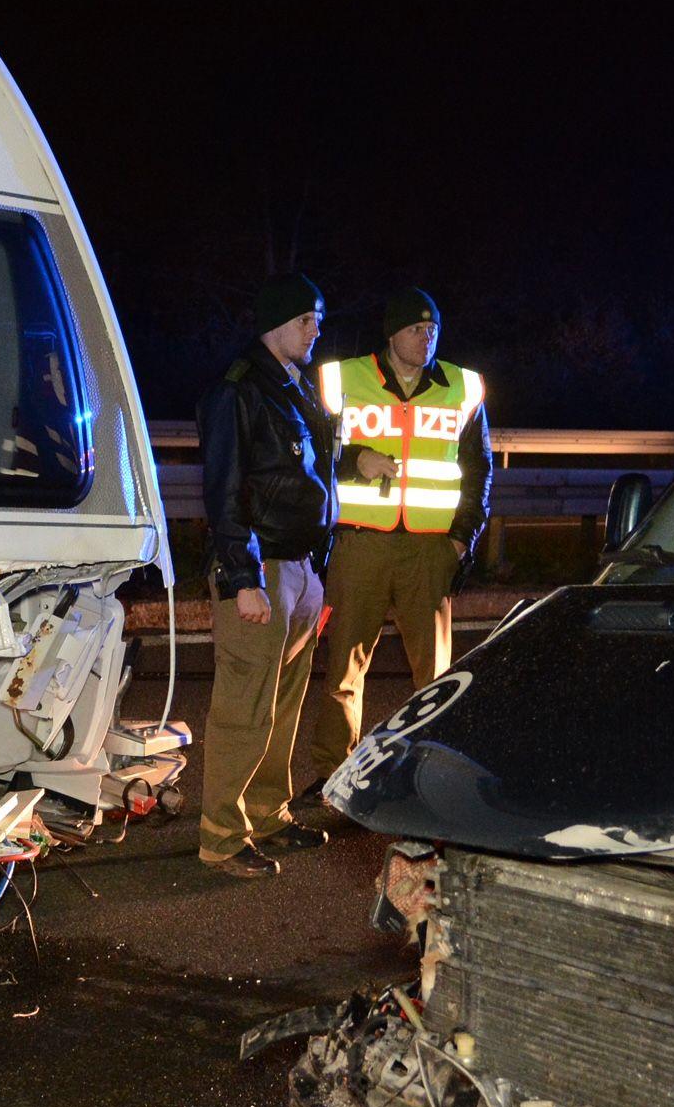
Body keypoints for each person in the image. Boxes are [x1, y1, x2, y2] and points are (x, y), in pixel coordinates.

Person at [193, 273, 387, 878]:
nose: (315, 329)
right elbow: (225, 491)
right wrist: (242, 578)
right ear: (276, 323)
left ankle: (267, 813)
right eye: (306, 319)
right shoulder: (238, 390)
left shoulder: (294, 387)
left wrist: (355, 462)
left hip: (300, 566)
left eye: (318, 318)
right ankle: (222, 836)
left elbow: (307, 466)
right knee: (244, 706)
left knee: (280, 703)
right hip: (263, 568)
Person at [300, 287, 490, 799]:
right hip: (360, 543)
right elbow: (308, 448)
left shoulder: (463, 387)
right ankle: (333, 773)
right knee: (344, 668)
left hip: (430, 549)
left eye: (432, 330)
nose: (426, 339)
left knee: (436, 675)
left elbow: (479, 470)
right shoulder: (344, 379)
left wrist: (461, 540)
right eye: (415, 329)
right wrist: (354, 460)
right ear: (391, 334)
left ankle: (433, 776)